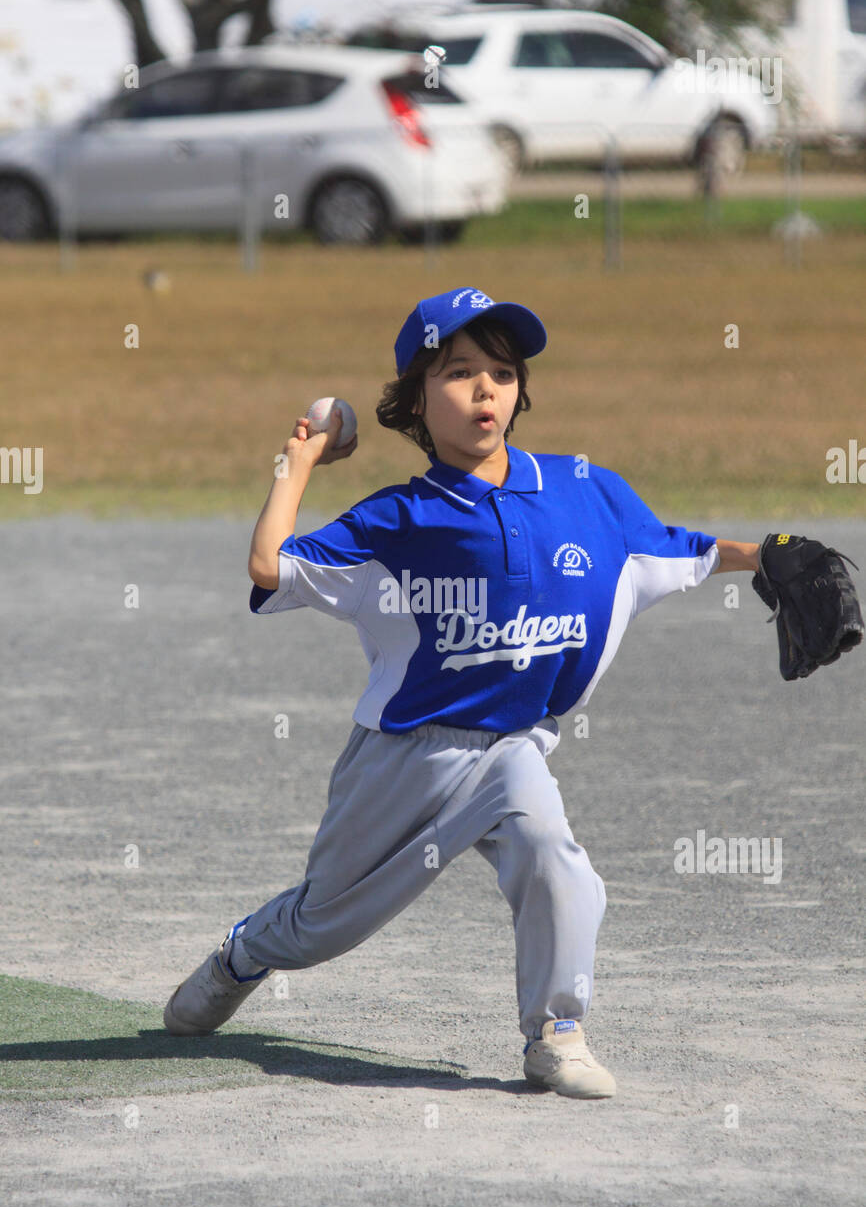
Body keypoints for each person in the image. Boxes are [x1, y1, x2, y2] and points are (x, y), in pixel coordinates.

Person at [163, 285, 761, 1100]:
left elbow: (676, 548)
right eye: (459, 371)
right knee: (323, 924)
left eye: (503, 372)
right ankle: (243, 955)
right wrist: (299, 459)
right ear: (414, 398)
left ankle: (557, 1032)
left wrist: (772, 555)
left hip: (513, 747)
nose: (486, 389)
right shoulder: (397, 520)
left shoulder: (586, 491)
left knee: (556, 859)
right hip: (405, 757)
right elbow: (271, 568)